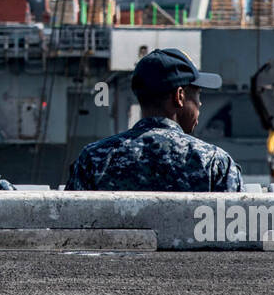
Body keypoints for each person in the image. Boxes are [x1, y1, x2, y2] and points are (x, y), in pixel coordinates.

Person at [67, 47, 243, 191]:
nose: (200, 103)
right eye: (197, 94)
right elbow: (237, 229)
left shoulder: (94, 158)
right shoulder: (214, 163)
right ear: (179, 96)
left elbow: (69, 225)